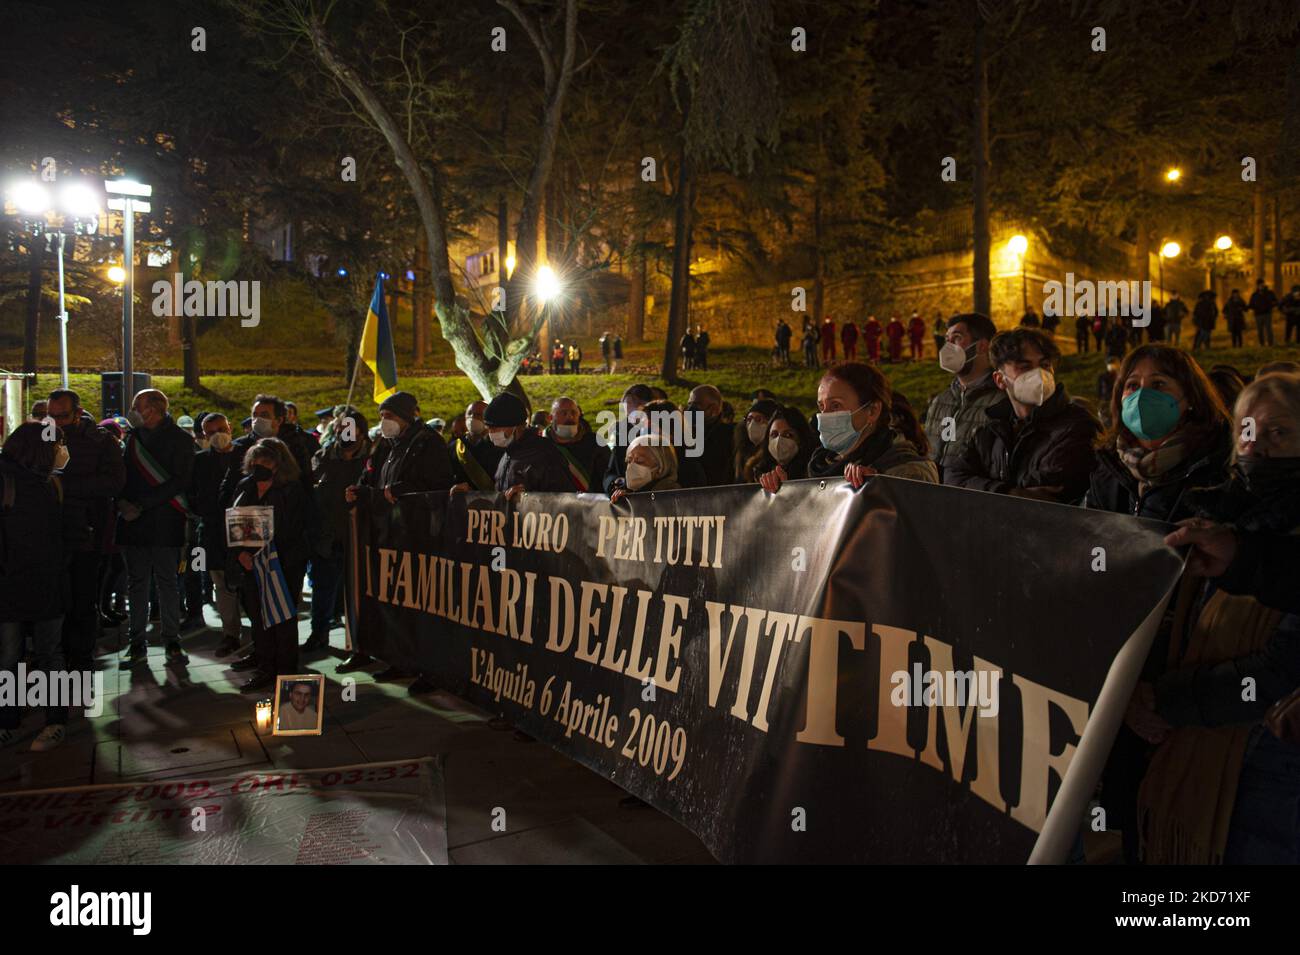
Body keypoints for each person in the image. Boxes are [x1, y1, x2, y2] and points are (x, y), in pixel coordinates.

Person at [1126, 371, 1300, 863]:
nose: (1256, 447)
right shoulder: (1219, 520)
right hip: (1190, 739)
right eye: (1246, 429)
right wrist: (1141, 689)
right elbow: (1178, 622)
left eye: (1278, 432)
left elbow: (1279, 670)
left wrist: (1165, 698)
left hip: (1272, 762)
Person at [341, 392, 453, 685]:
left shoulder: (427, 443)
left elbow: (438, 484)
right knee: (396, 602)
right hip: (389, 534)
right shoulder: (386, 446)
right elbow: (371, 477)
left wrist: (402, 490)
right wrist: (359, 489)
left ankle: (430, 669)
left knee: (422, 605)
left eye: (389, 416)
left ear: (405, 416)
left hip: (418, 535)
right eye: (381, 417)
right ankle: (401, 660)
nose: (384, 422)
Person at [944, 329, 1099, 503]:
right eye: (1025, 367)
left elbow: (1049, 497)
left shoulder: (1077, 426)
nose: (1039, 374)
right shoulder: (993, 430)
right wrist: (1009, 493)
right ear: (1000, 380)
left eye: (1045, 365)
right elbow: (953, 477)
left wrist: (987, 487)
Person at [1085, 344, 1232, 521]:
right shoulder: (1109, 464)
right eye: (1132, 385)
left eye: (1158, 384)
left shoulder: (1217, 464)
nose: (1141, 395)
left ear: (1190, 397)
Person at [0, 422, 72, 751]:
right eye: (57, 444)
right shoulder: (8, 479)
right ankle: (10, 720)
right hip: (12, 582)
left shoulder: (50, 483)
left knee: (43, 654)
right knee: (11, 656)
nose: (62, 451)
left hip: (44, 581)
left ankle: (54, 720)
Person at [763, 363, 936, 494]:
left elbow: (917, 536)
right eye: (822, 407)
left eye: (836, 406)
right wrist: (785, 496)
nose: (824, 416)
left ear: (872, 411)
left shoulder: (910, 473)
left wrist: (877, 490)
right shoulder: (821, 467)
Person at [45, 389, 125, 673]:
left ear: (78, 413)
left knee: (82, 598)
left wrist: (67, 488)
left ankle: (80, 657)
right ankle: (58, 655)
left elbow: (114, 483)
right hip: (51, 531)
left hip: (88, 531)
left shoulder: (102, 442)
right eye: (51, 416)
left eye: (62, 416)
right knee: (55, 599)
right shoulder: (45, 437)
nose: (56, 421)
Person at [117, 389, 195, 666]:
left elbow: (180, 481)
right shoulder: (133, 437)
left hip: (164, 521)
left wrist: (142, 504)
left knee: (167, 584)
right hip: (133, 524)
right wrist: (123, 502)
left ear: (154, 409)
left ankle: (172, 640)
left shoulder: (181, 440)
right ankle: (136, 642)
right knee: (136, 585)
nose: (133, 410)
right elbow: (123, 476)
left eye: (137, 406)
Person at [226, 439, 308, 692]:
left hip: (282, 564)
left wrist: (268, 554)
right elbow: (232, 519)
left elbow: (296, 528)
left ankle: (285, 670)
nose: (260, 465)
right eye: (256, 461)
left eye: (266, 461)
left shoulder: (291, 489)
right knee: (258, 615)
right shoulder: (245, 486)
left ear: (279, 464)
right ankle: (264, 665)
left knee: (282, 618)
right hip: (250, 563)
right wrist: (240, 552)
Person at [305, 410, 370, 653]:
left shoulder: (373, 458)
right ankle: (318, 633)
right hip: (328, 536)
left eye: (351, 427)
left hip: (359, 537)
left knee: (359, 594)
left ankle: (361, 643)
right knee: (323, 590)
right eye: (341, 427)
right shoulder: (323, 456)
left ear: (361, 431)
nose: (346, 432)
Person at [922, 312, 1003, 481]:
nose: (948, 346)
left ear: (982, 346)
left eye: (957, 337)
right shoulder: (941, 401)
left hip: (974, 500)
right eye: (947, 339)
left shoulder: (1001, 402)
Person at [190, 414, 244, 656]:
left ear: (230, 427)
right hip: (214, 530)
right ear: (203, 435)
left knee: (249, 584)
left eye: (221, 429)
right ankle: (230, 633)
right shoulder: (200, 461)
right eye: (211, 432)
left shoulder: (247, 454)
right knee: (222, 585)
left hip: (245, 530)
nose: (218, 435)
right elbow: (192, 495)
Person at [471, 393, 572, 496]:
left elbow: (563, 499)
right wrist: (470, 493)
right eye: (488, 428)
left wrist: (527, 498)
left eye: (496, 427)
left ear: (518, 426)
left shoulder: (544, 455)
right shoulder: (507, 453)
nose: (491, 433)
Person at [545, 397, 610, 492]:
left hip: (591, 504)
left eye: (573, 413)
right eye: (563, 413)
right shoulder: (541, 444)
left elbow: (608, 473)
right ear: (551, 418)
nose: (569, 417)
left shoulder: (595, 442)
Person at [603, 384, 655, 494]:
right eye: (626, 404)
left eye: (638, 404)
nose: (630, 410)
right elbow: (610, 473)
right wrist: (616, 484)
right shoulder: (622, 432)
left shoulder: (659, 431)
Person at [447, 399, 506, 492]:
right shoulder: (455, 447)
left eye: (478, 414)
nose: (473, 417)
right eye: (469, 414)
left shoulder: (499, 446)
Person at [746, 407, 814, 484]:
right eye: (774, 435)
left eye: (788, 435)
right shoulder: (759, 472)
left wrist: (787, 487)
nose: (779, 440)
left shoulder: (814, 471)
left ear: (801, 439)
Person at [609, 433, 680, 502]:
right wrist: (624, 501)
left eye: (640, 461)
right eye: (629, 460)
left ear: (660, 468)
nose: (631, 466)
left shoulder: (673, 497)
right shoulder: (629, 493)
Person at [686, 385, 733, 487]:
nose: (690, 410)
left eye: (696, 405)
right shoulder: (684, 435)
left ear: (714, 409)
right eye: (689, 404)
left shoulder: (729, 436)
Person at [734, 398, 781, 483]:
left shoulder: (778, 452)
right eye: (749, 419)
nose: (752, 424)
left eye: (759, 419)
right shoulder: (742, 452)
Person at [1248, 278, 1278, 347]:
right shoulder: (1254, 295)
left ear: (1264, 284)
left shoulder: (1269, 293)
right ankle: (1262, 343)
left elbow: (1275, 301)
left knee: (1269, 329)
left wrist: (1271, 305)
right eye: (1259, 284)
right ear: (1257, 286)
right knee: (1260, 330)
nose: (1261, 286)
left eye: (1262, 284)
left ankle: (1271, 343)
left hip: (1267, 314)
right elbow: (1251, 304)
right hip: (1258, 315)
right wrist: (1250, 308)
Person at [1096, 356, 1120, 430]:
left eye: (1114, 364)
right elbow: (1099, 389)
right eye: (1110, 364)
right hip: (1106, 401)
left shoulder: (1121, 376)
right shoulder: (1103, 377)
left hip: (1118, 402)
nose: (1112, 366)